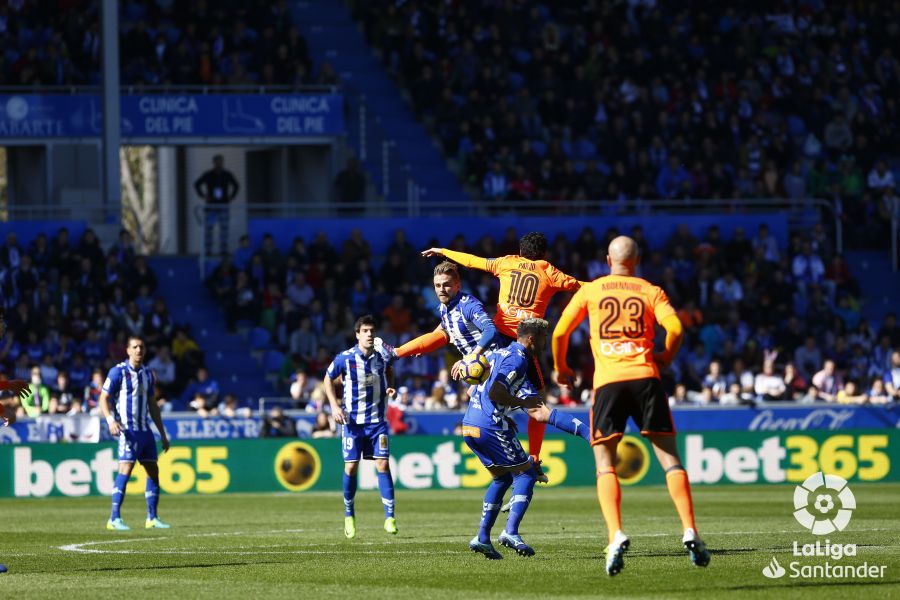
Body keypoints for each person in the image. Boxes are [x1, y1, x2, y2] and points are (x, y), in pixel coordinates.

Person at [552, 235, 711, 576]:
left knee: (605, 463)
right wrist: (666, 356)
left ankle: (616, 533)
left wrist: (561, 368)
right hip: (646, 378)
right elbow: (676, 327)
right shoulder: (650, 290)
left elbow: (559, 333)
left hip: (608, 382)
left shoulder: (592, 290)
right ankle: (690, 529)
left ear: (608, 261)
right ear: (637, 260)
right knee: (670, 460)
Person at [419, 233, 589, 477]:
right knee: (538, 402)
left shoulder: (507, 263)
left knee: (482, 387)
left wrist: (443, 251)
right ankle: (535, 456)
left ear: (520, 251)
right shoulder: (550, 272)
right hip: (522, 345)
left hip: (497, 342)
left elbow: (471, 261)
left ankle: (499, 432)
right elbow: (584, 288)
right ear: (544, 254)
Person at [464, 318, 547, 560]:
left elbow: (475, 387)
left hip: (470, 424)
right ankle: (511, 532)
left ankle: (482, 538)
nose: (544, 343)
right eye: (543, 339)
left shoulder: (497, 353)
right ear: (531, 339)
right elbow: (495, 391)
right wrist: (522, 403)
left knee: (501, 479)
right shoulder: (519, 358)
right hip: (489, 426)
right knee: (526, 473)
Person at [323, 315, 398, 539]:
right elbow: (327, 379)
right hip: (352, 422)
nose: (369, 334)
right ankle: (349, 514)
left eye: (371, 330)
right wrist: (334, 406)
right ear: (357, 334)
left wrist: (390, 387)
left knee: (383, 465)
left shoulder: (382, 357)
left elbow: (391, 372)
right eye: (364, 331)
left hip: (377, 422)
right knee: (351, 468)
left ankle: (390, 517)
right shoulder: (344, 358)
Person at [99, 336, 171, 531]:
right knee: (125, 470)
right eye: (135, 347)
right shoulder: (118, 372)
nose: (139, 350)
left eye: (141, 346)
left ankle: (152, 518)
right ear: (128, 350)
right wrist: (111, 420)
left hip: (145, 431)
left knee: (153, 471)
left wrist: (162, 434)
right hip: (127, 430)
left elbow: (153, 406)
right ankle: (114, 518)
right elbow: (103, 398)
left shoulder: (148, 374)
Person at [194, 154, 240, 256]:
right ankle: (208, 250)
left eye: (221, 161)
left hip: (223, 205)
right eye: (217, 162)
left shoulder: (227, 174)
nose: (219, 164)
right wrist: (203, 195)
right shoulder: (208, 174)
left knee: (224, 229)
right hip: (211, 206)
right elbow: (197, 184)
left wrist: (231, 196)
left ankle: (223, 250)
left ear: (223, 162)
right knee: (209, 229)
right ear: (213, 163)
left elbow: (236, 185)